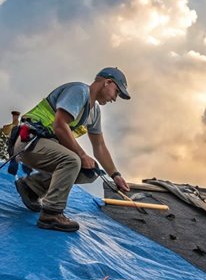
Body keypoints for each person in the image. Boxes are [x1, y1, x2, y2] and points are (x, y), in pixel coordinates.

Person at [12, 67, 132, 232]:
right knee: (73, 160)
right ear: (108, 82)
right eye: (116, 92)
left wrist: (115, 175)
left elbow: (100, 146)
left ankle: (32, 187)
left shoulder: (94, 112)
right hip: (30, 142)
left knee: (90, 171)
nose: (115, 98)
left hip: (46, 148)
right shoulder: (79, 92)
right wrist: (82, 155)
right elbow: (60, 125)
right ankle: (51, 214)